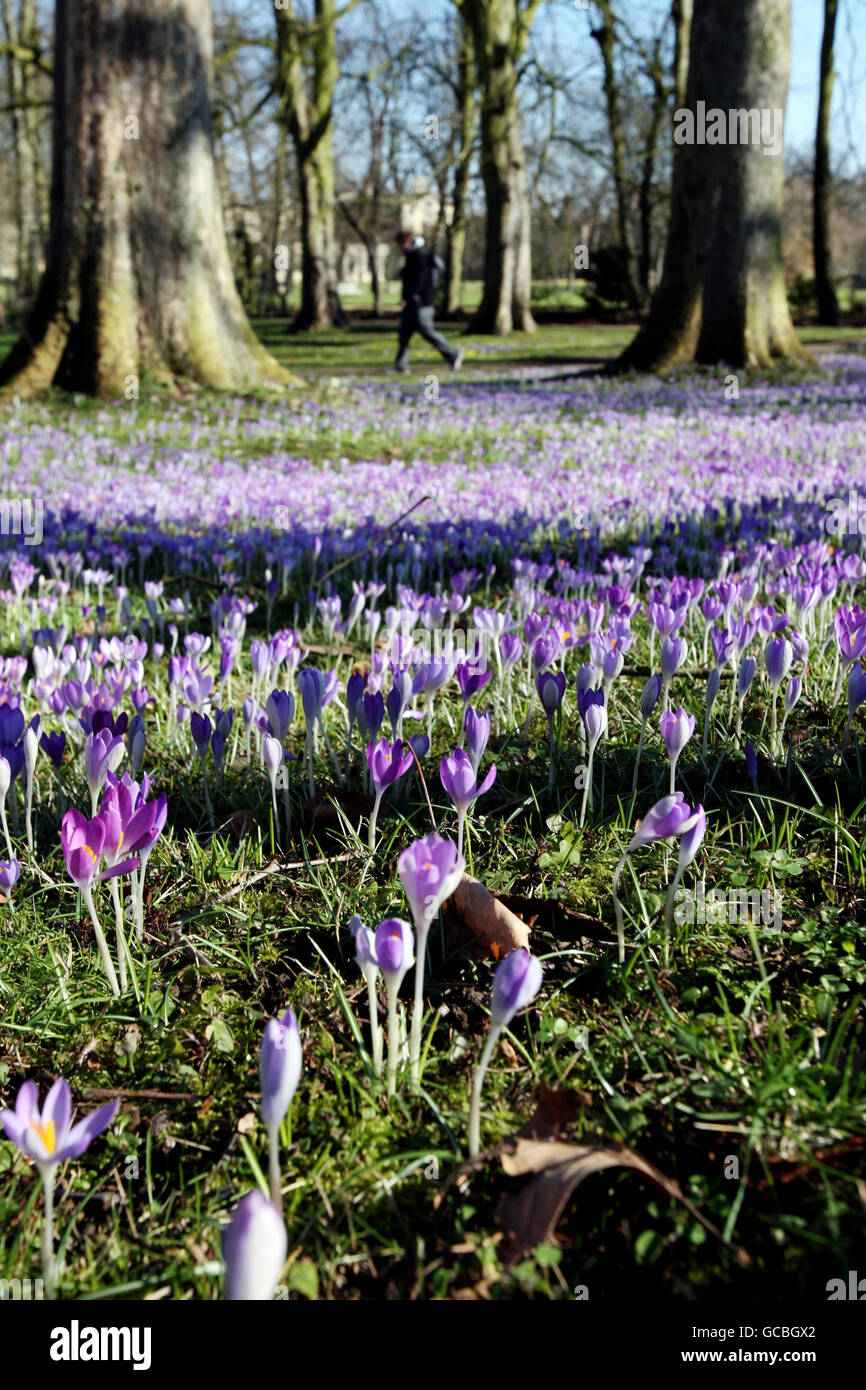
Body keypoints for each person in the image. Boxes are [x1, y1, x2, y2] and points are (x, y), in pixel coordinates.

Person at [393, 229, 463, 373]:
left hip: (421, 303)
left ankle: (453, 354)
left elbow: (419, 280)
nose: (399, 248)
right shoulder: (412, 256)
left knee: (427, 332)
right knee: (403, 334)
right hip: (413, 303)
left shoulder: (418, 257)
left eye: (400, 244)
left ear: (405, 242)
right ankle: (401, 366)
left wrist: (410, 296)